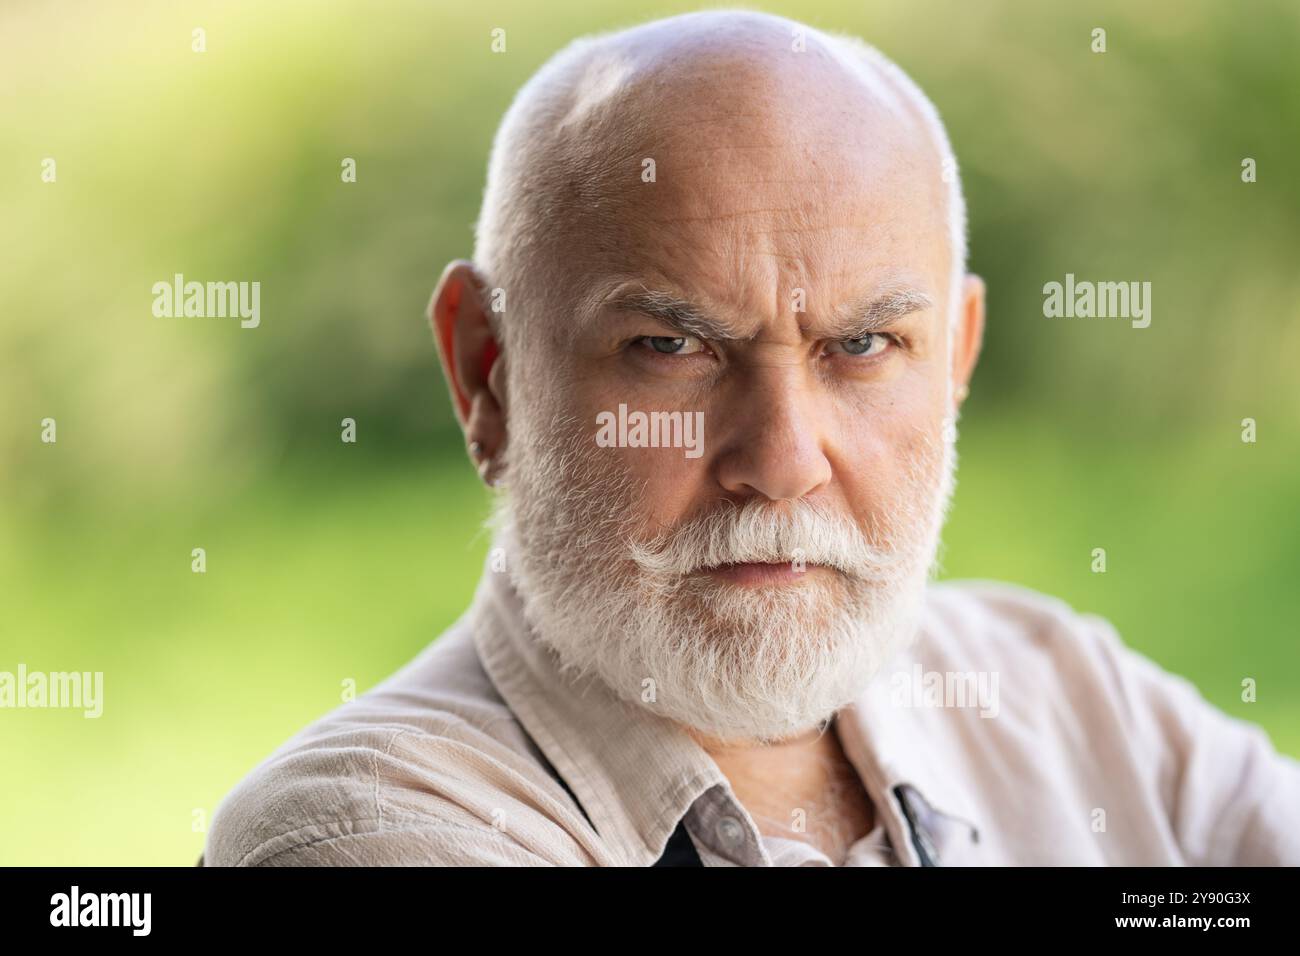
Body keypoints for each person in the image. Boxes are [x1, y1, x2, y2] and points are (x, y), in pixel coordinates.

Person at [202, 10, 1299, 867]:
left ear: (955, 359)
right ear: (487, 373)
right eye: (670, 346)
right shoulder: (360, 829)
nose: (780, 460)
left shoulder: (1060, 689)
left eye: (864, 344)